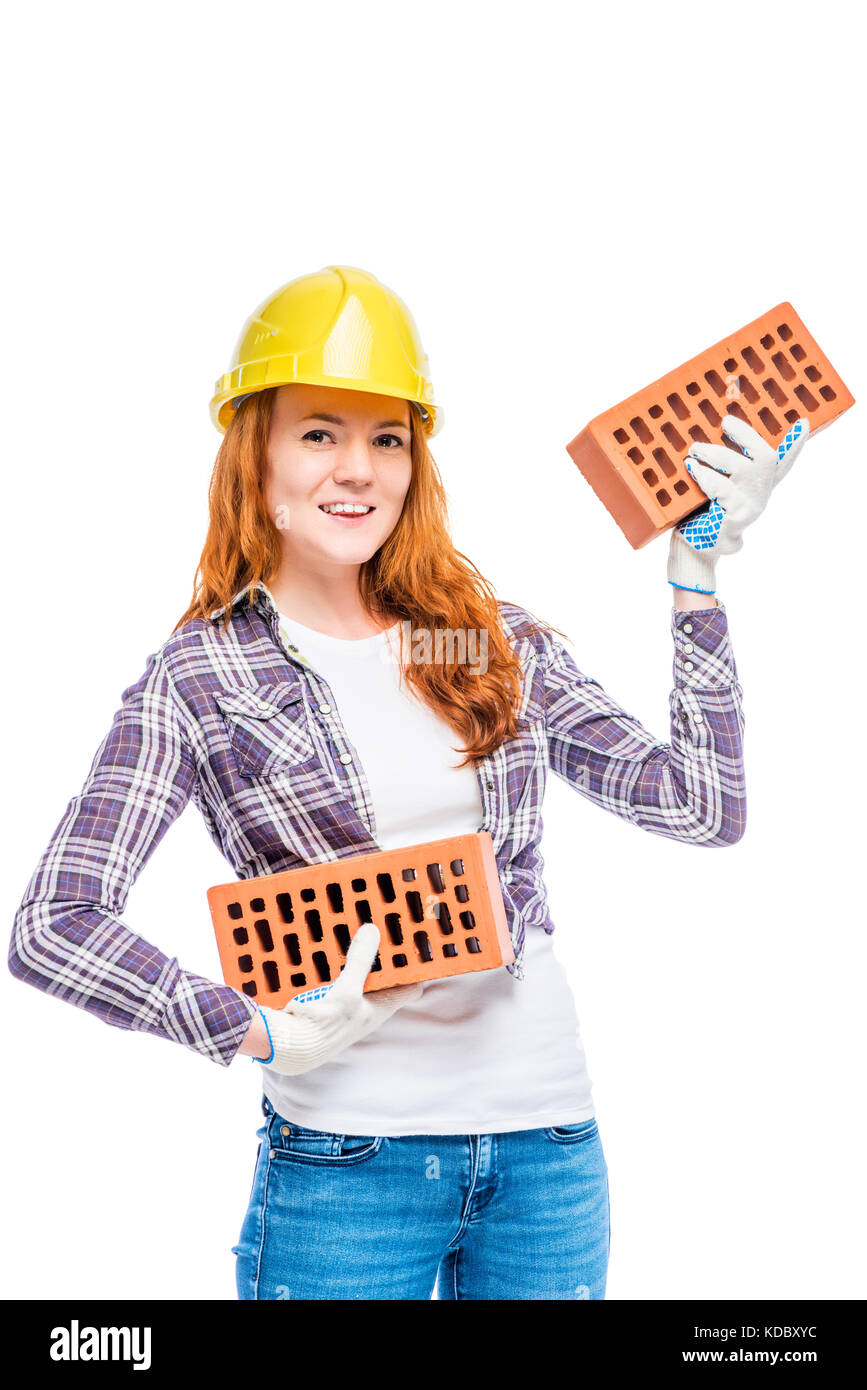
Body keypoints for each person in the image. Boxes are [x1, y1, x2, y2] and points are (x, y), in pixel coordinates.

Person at [8, 264, 808, 1300]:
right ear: (255, 461)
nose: (359, 470)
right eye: (319, 431)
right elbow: (52, 922)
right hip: (350, 1163)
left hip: (547, 1149)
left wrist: (696, 580)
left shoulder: (486, 639)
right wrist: (251, 1028)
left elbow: (702, 810)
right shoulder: (198, 678)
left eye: (388, 437)